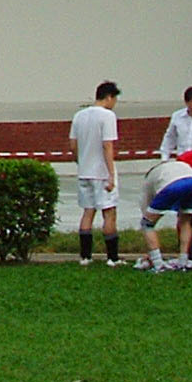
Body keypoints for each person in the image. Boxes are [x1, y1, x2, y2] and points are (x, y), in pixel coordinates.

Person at [68, 81, 122, 267]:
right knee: (109, 212)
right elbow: (107, 145)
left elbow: (73, 144)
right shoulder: (107, 116)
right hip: (101, 173)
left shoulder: (79, 116)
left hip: (84, 172)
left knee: (88, 212)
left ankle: (85, 256)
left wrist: (80, 161)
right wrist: (111, 174)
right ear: (109, 97)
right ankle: (112, 257)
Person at [136, 157, 192, 272]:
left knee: (147, 224)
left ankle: (157, 263)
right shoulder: (178, 165)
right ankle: (183, 261)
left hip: (171, 185)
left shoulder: (150, 178)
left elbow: (145, 207)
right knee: (185, 221)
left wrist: (148, 220)